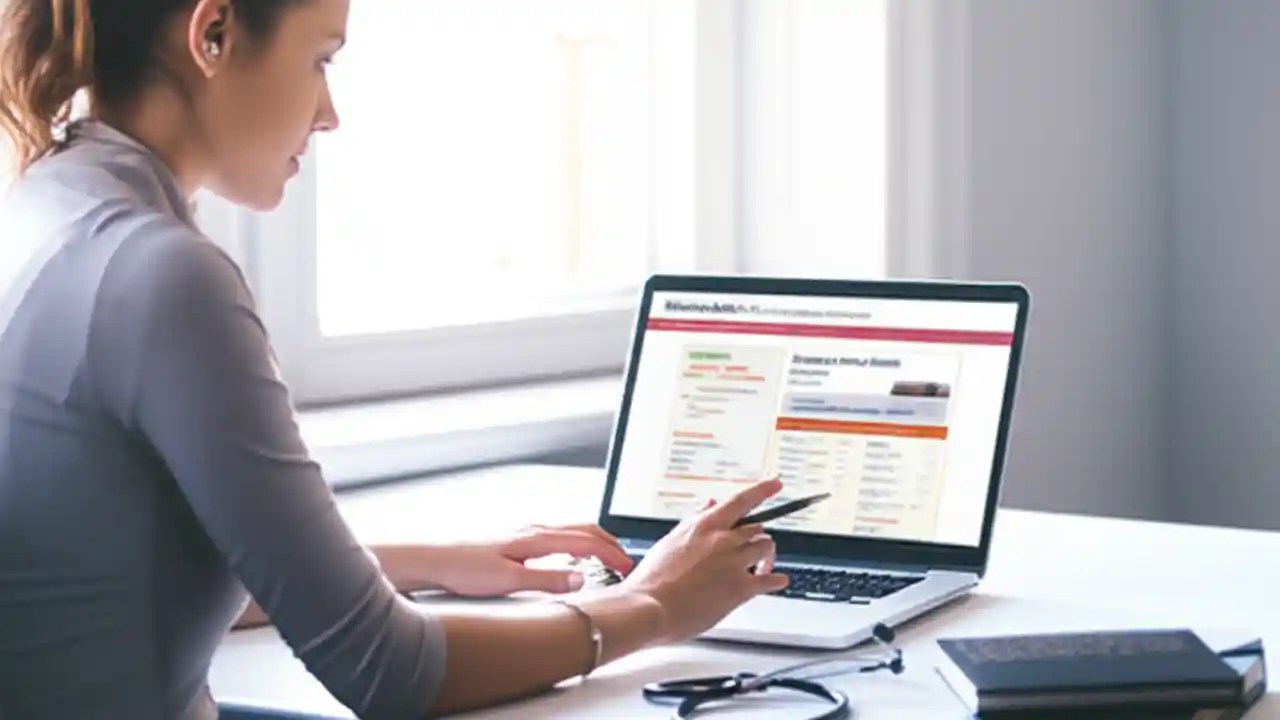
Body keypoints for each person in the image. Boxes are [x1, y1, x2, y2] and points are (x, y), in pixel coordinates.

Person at [0, 1, 790, 717]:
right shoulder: (159, 275)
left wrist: (438, 562)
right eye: (321, 59)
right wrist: (655, 605)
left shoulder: (47, 207)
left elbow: (116, 588)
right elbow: (388, 670)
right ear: (212, 34)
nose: (329, 113)